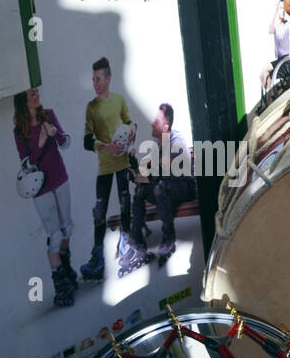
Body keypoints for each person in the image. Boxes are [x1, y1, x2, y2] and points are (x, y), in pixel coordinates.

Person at [13, 88, 77, 307]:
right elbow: (27, 165)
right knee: (54, 235)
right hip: (40, 188)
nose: (36, 96)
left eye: (36, 92)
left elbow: (65, 143)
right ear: (23, 100)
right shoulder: (19, 130)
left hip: (60, 178)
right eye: (32, 94)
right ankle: (61, 287)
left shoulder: (48, 114)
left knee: (67, 227)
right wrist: (40, 143)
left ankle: (67, 270)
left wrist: (54, 134)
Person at [80, 57, 137, 281]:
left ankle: (127, 247)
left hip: (122, 164)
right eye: (93, 79)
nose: (95, 83)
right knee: (99, 213)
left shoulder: (120, 100)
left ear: (108, 79)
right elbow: (86, 141)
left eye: (98, 79)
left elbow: (130, 123)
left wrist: (132, 130)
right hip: (104, 167)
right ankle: (98, 260)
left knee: (125, 205)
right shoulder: (91, 108)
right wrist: (106, 146)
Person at [132, 103, 195, 267]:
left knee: (160, 186)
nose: (152, 123)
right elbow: (148, 174)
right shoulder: (157, 143)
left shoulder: (176, 139)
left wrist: (152, 166)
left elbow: (171, 166)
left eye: (156, 121)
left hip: (184, 187)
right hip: (166, 188)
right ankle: (136, 235)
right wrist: (136, 173)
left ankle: (169, 237)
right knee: (140, 190)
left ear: (165, 126)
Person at [261, 0, 290, 94]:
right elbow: (270, 30)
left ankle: (270, 97)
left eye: (283, 8)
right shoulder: (276, 25)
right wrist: (275, 12)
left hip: (286, 60)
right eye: (280, 8)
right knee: (263, 74)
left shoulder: (287, 25)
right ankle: (269, 96)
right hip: (279, 61)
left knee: (265, 69)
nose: (282, 10)